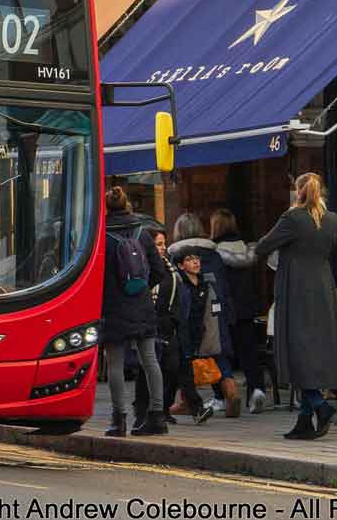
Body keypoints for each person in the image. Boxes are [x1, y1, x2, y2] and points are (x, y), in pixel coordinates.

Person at [257, 172, 337, 440]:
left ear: (298, 192)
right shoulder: (332, 219)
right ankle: (305, 421)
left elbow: (263, 246)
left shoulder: (292, 218)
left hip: (296, 289)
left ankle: (321, 407)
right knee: (313, 351)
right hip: (322, 288)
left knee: (295, 350)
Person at [99, 187, 168, 437]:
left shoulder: (101, 236)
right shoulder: (142, 232)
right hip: (141, 305)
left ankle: (120, 421)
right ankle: (157, 417)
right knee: (149, 360)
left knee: (115, 364)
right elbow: (159, 270)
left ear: (105, 208)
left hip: (113, 307)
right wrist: (140, 290)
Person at [167, 212, 239, 415]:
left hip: (191, 309)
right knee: (217, 350)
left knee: (186, 354)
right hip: (216, 307)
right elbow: (224, 284)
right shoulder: (213, 254)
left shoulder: (177, 256)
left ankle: (186, 401)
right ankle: (231, 391)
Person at [212, 208, 267, 415]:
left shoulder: (215, 252)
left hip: (226, 308)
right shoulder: (245, 248)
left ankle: (222, 396)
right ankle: (257, 390)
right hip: (247, 307)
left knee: (220, 352)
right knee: (249, 352)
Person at [135, 231, 192, 430]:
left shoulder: (170, 269)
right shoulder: (144, 267)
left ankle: (162, 409)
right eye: (158, 244)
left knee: (171, 368)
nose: (162, 248)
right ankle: (144, 411)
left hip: (169, 324)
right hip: (150, 323)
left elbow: (178, 296)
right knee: (148, 369)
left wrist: (175, 319)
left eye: (163, 243)